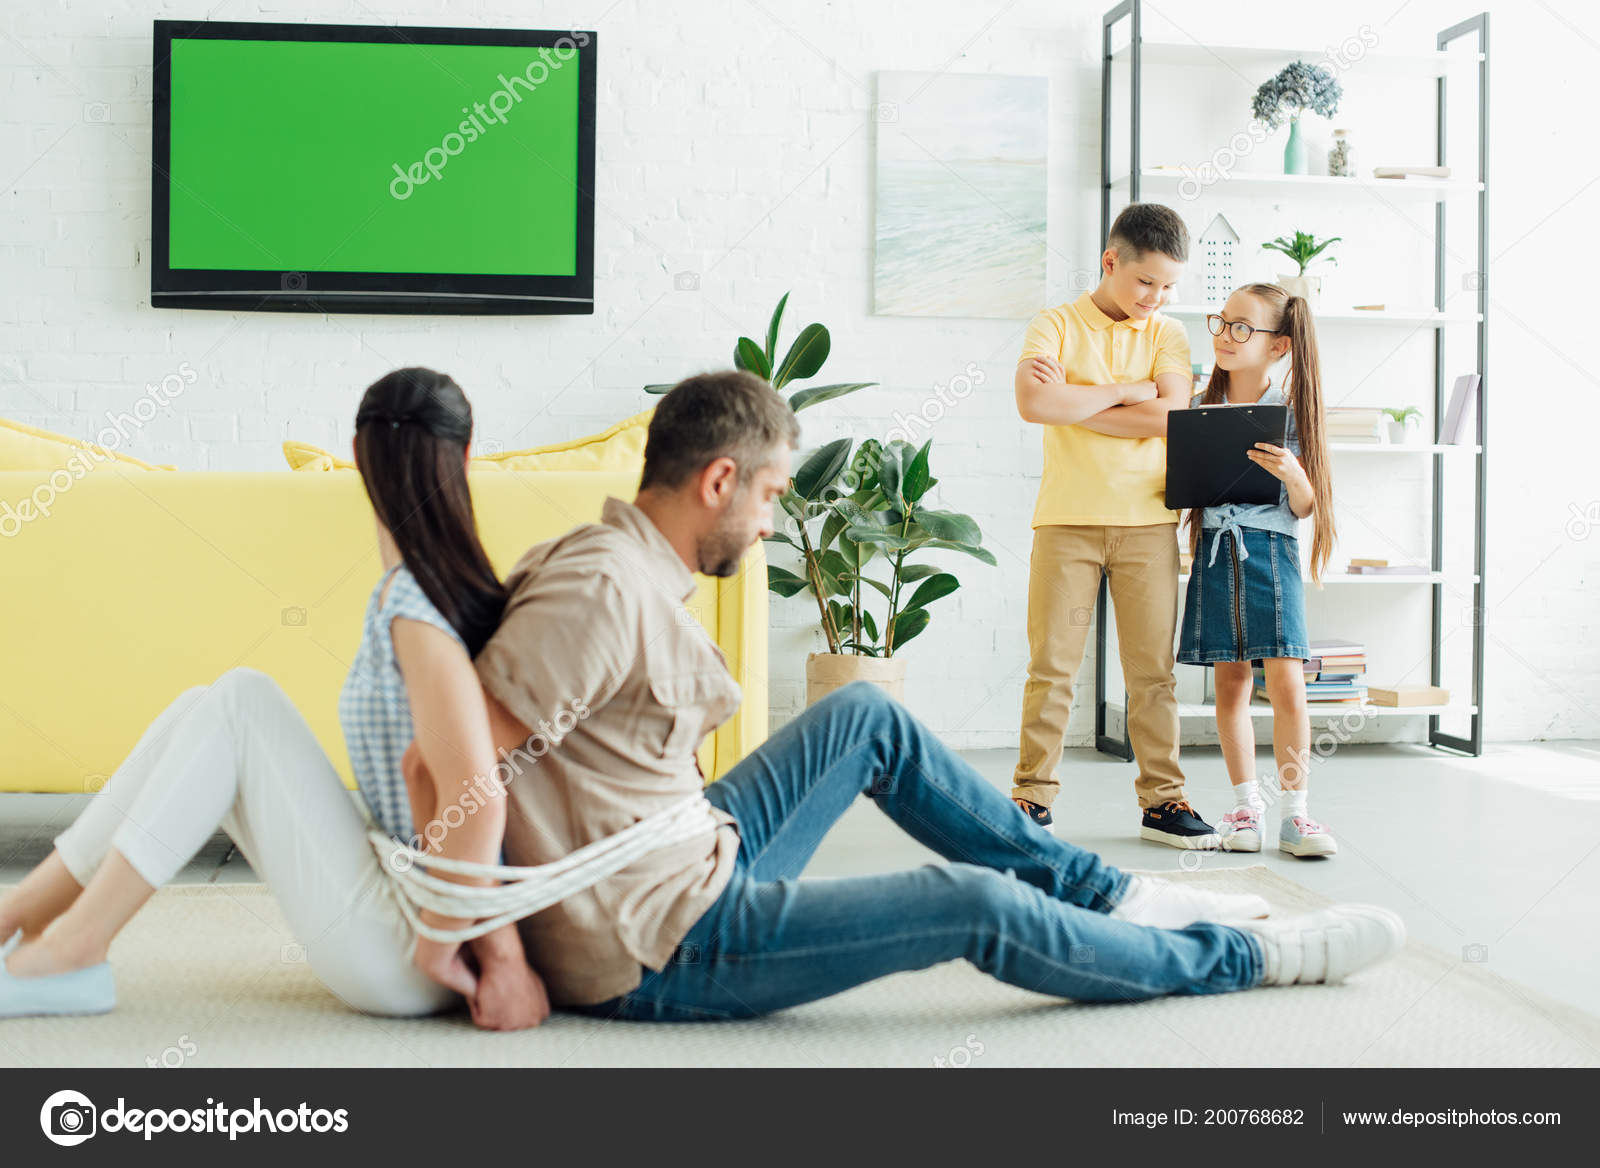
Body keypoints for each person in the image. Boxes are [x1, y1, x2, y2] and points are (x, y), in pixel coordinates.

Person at [428, 368, 1404, 1023]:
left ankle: (1116, 895)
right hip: (660, 936)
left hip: (684, 842)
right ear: (719, 480)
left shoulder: (621, 563)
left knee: (864, 715)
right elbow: (453, 766)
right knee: (967, 902)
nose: (771, 525)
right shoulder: (601, 585)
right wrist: (500, 953)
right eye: (769, 498)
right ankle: (1243, 957)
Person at [0, 369, 548, 1028]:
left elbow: (476, 802)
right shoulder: (427, 592)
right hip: (401, 911)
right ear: (464, 457)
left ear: (354, 456)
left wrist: (490, 959)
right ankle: (21, 915)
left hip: (405, 952)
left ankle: (73, 948)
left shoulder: (415, 607)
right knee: (208, 704)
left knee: (238, 703)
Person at [1010, 202, 1218, 847]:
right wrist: (1126, 392)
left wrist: (1076, 403)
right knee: (1053, 668)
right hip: (1067, 523)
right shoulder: (1055, 324)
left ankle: (1164, 802)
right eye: (1145, 282)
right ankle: (1030, 799)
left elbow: (1172, 414)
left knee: (1152, 673)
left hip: (1148, 523)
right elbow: (1033, 402)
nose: (1156, 297)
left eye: (1167, 286)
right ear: (1111, 262)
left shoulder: (1168, 334)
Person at [1179, 284, 1338, 858]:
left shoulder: (1294, 415)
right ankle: (1246, 808)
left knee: (1289, 683)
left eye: (1242, 327)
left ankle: (1297, 815)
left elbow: (1305, 505)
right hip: (1219, 553)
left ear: (1279, 346)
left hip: (1275, 555)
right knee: (1230, 682)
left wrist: (1295, 476)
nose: (1224, 334)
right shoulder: (1197, 407)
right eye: (1221, 322)